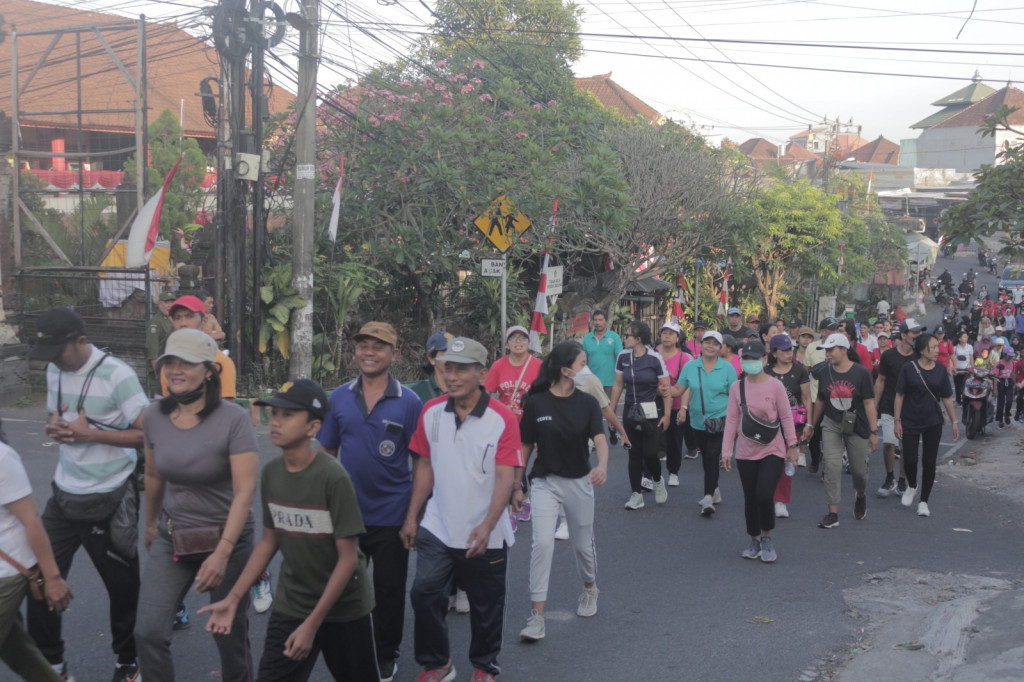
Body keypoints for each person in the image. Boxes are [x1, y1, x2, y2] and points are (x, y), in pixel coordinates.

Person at [199, 380, 379, 681]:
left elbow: (348, 559)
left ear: (313, 427)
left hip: (344, 609)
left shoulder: (333, 478)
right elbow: (269, 541)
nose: (276, 422)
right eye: (275, 414)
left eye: (288, 415)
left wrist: (311, 625)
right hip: (292, 603)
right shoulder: (272, 473)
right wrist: (233, 597)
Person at [27, 307, 150, 682]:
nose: (53, 363)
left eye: (57, 353)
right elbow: (55, 415)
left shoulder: (118, 375)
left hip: (112, 495)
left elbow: (148, 434)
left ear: (81, 341)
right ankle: (52, 665)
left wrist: (89, 435)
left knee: (122, 587)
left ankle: (128, 662)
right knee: (40, 577)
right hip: (65, 493)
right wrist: (56, 428)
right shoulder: (55, 369)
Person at [136, 329, 260, 682]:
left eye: (186, 363)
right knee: (148, 631)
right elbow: (155, 475)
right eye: (169, 362)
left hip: (227, 537)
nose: (175, 370)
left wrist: (222, 553)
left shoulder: (233, 419)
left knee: (229, 637)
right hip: (173, 534)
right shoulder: (154, 415)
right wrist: (149, 524)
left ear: (209, 370)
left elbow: (245, 491)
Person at [402, 337, 522, 682]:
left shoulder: (502, 419)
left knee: (486, 606)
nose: (452, 377)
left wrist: (487, 524)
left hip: (485, 529)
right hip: (438, 524)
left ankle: (485, 666)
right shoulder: (431, 411)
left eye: (461, 369)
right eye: (447, 368)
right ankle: (437, 662)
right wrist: (412, 516)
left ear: (482, 373)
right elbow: (424, 465)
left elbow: (504, 475)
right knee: (424, 592)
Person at [316, 321, 423, 681]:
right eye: (363, 345)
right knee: (346, 590)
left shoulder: (409, 402)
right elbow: (327, 451)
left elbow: (421, 462)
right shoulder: (339, 397)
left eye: (378, 347)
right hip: (348, 515)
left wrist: (413, 517)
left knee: (389, 593)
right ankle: (352, 653)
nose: (369, 352)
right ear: (354, 352)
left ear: (394, 354)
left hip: (393, 515)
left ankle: (385, 655)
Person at [516, 342, 608, 641]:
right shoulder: (537, 403)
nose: (586, 370)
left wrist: (602, 466)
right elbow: (525, 446)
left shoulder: (588, 403)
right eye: (582, 364)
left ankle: (590, 588)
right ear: (564, 369)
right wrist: (518, 484)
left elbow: (600, 439)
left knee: (582, 546)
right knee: (542, 544)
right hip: (545, 481)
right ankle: (537, 617)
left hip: (579, 481)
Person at [0, 418, 73, 682]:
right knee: (20, 652)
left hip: (8, 571)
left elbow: (32, 520)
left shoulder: (2, 458)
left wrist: (52, 578)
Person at [721, 341, 799, 562]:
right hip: (745, 451)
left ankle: (767, 536)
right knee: (750, 497)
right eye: (747, 359)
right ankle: (754, 539)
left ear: (764, 360)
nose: (751, 363)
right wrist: (726, 451)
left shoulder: (775, 386)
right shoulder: (738, 387)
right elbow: (732, 420)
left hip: (772, 449)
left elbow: (786, 417)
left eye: (755, 359)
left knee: (764, 495)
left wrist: (792, 446)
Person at [809, 333, 880, 529]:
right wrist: (811, 426)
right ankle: (833, 513)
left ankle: (861, 495)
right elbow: (821, 400)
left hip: (857, 425)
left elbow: (868, 402)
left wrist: (874, 432)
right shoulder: (824, 372)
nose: (828, 354)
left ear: (844, 350)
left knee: (859, 472)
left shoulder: (862, 373)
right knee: (832, 466)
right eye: (826, 350)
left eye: (831, 350)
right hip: (831, 424)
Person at [893, 334, 959, 517]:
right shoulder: (908, 369)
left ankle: (924, 502)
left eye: (938, 346)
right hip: (910, 420)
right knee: (910, 459)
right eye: (934, 347)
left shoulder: (940, 370)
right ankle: (912, 486)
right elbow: (899, 395)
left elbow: (946, 397)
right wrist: (897, 421)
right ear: (923, 350)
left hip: (933, 421)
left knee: (929, 462)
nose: (938, 350)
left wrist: (954, 422)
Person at [609, 321, 671, 510]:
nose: (624, 338)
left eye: (627, 335)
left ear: (638, 339)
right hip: (630, 411)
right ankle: (636, 495)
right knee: (634, 453)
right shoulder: (622, 356)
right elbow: (618, 384)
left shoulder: (654, 358)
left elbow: (666, 389)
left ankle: (658, 481)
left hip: (652, 412)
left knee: (650, 453)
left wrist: (667, 414)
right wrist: (611, 412)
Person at [674, 330, 737, 516]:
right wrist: (664, 390)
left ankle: (708, 497)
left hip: (720, 420)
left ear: (721, 348)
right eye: (707, 342)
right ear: (701, 345)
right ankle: (715, 489)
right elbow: (679, 388)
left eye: (715, 343)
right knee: (707, 458)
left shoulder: (728, 369)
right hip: (698, 422)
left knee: (711, 456)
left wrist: (738, 422)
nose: (710, 346)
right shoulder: (691, 367)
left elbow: (736, 397)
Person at [874, 318, 922, 498]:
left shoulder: (919, 356)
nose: (917, 336)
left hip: (911, 408)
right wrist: (874, 405)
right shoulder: (889, 356)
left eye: (918, 333)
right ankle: (889, 478)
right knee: (888, 443)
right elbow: (880, 381)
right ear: (903, 335)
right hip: (888, 405)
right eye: (914, 333)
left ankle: (902, 480)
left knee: (905, 447)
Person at [766, 334, 811, 517]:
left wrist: (809, 423)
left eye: (790, 349)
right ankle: (766, 495)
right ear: (775, 353)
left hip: (791, 424)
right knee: (768, 462)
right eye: (784, 350)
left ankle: (781, 501)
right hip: (768, 424)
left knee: (786, 462)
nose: (788, 353)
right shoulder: (766, 371)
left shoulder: (800, 370)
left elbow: (807, 398)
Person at [162, 295, 237, 400]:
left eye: (190, 316)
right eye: (177, 318)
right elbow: (168, 405)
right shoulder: (169, 366)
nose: (183, 323)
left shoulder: (220, 361)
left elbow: (227, 410)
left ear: (204, 321)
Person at [656, 322, 693, 486]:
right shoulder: (653, 353)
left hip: (676, 404)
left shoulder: (683, 357)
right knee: (651, 439)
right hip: (655, 402)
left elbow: (686, 386)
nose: (667, 336)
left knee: (674, 440)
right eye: (664, 333)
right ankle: (650, 474)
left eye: (671, 333)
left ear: (678, 338)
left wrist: (684, 409)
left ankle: (673, 472)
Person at [486, 325, 542, 421]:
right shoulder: (498, 366)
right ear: (507, 344)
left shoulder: (539, 366)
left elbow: (546, 395)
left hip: (531, 421)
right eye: (512, 338)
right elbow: (485, 394)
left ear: (529, 343)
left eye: (523, 338)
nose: (518, 341)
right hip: (505, 421)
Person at [581, 310, 623, 399]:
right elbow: (584, 361)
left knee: (609, 411)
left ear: (606, 321)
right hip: (592, 383)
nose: (597, 322)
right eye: (595, 320)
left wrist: (620, 381)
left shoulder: (614, 337)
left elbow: (619, 359)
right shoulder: (587, 338)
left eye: (600, 320)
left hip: (610, 383)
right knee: (592, 411)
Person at [407, 331, 452, 403]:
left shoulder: (468, 389)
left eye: (456, 354)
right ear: (431, 359)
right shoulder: (416, 393)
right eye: (446, 354)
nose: (452, 359)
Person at [145, 291, 176, 390]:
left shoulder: (173, 319)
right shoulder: (156, 322)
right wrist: (158, 373)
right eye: (167, 303)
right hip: (160, 367)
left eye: (172, 302)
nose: (170, 305)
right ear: (160, 304)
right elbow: (152, 350)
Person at [953, 332, 975, 406]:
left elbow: (971, 358)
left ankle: (966, 400)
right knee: (958, 386)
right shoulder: (955, 348)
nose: (966, 338)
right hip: (958, 369)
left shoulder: (970, 347)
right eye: (964, 337)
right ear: (959, 338)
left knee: (966, 386)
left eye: (966, 337)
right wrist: (954, 368)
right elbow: (952, 359)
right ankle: (958, 400)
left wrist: (973, 369)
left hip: (967, 369)